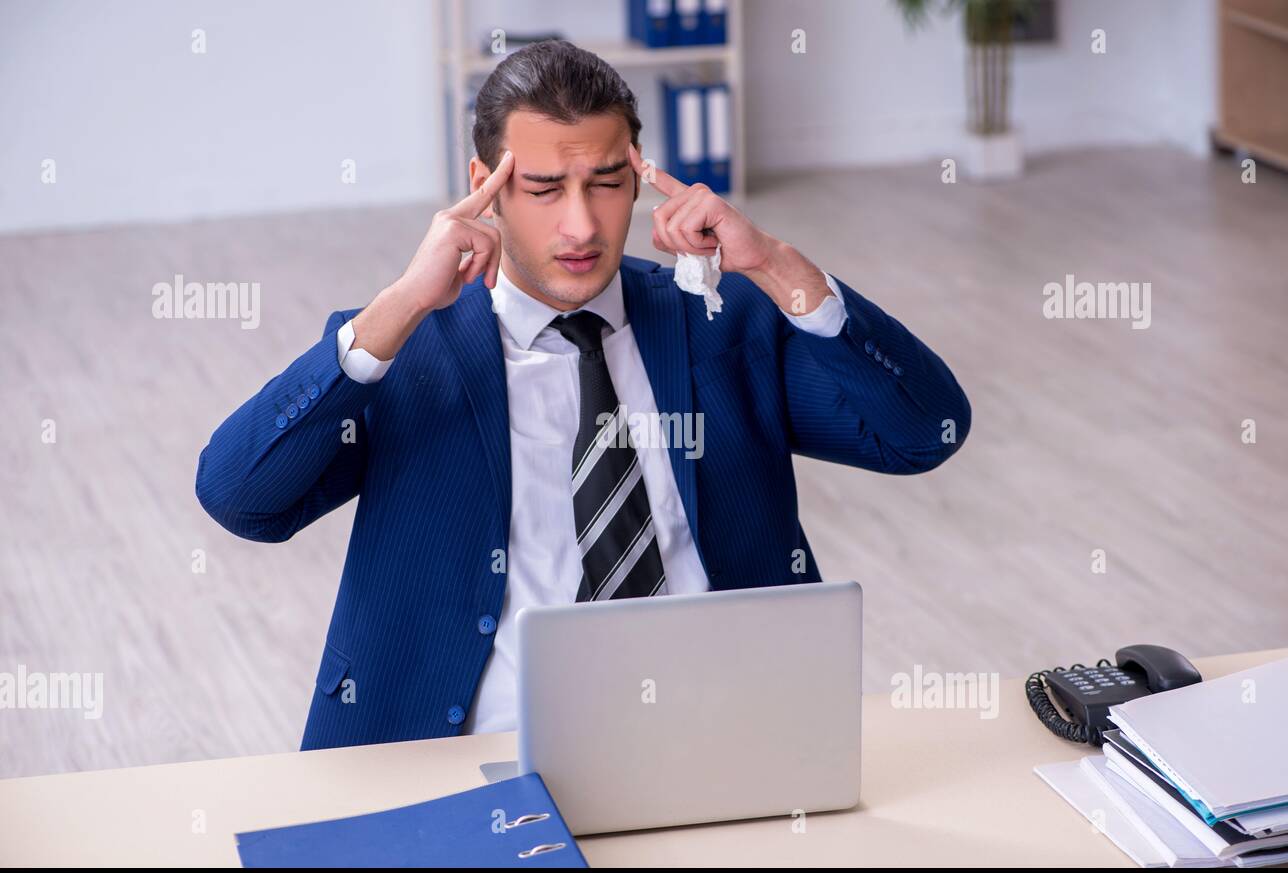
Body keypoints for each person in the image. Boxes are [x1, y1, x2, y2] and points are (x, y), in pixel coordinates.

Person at [195, 40, 971, 750]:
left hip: (715, 738)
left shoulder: (721, 324)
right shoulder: (407, 350)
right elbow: (240, 498)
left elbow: (923, 433)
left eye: (605, 184)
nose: (580, 225)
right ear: (483, 188)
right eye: (542, 188)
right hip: (472, 749)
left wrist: (777, 266)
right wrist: (397, 306)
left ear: (637, 177)